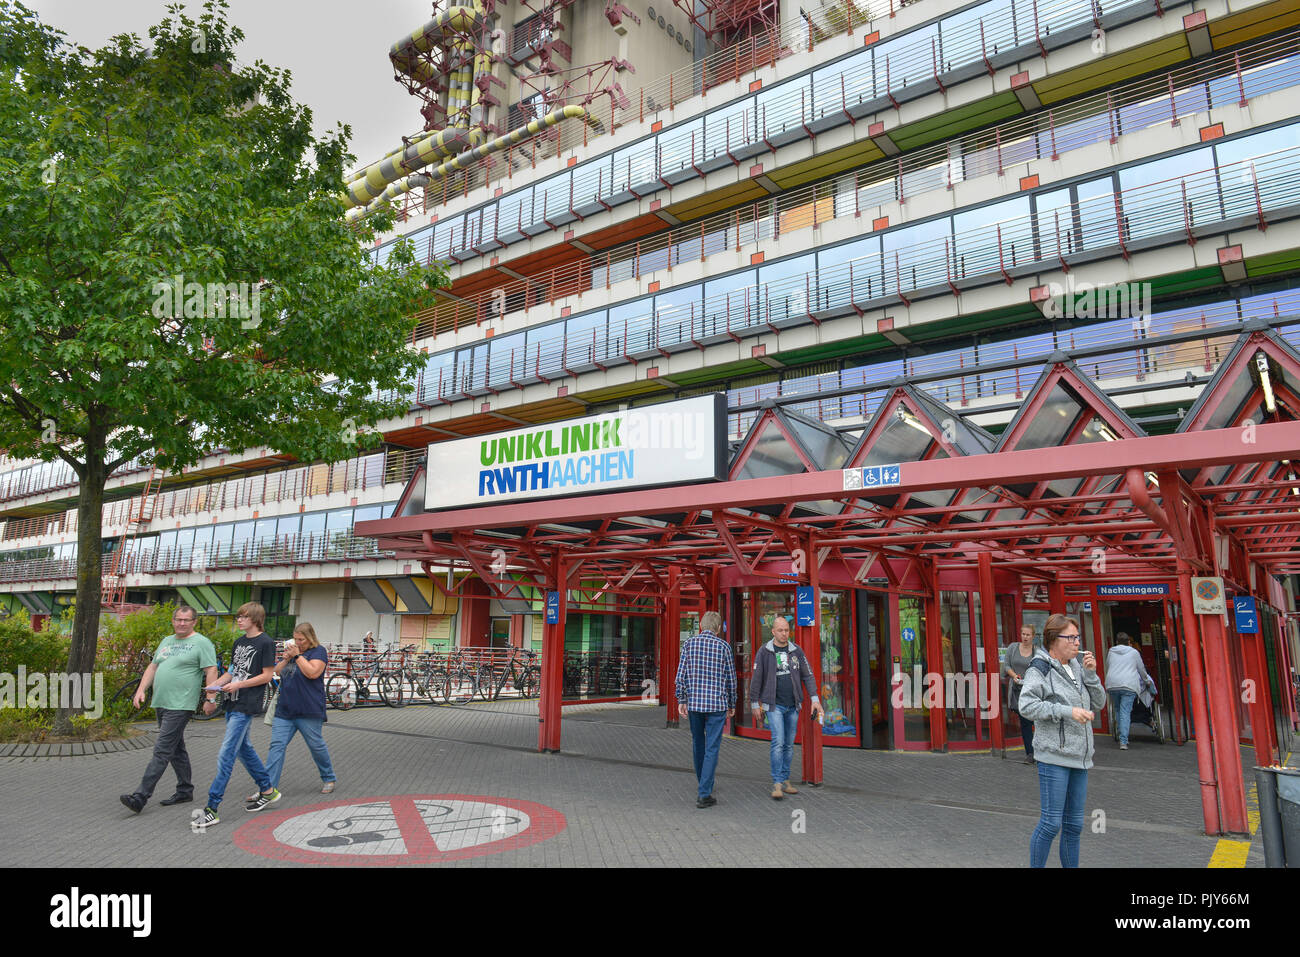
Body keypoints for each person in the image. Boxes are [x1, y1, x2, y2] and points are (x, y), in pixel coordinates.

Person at [1018, 614, 1107, 868]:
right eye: (1071, 638)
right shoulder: (1040, 667)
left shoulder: (1078, 665)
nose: (1077, 643)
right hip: (1053, 756)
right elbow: (1027, 705)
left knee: (1074, 825)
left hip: (1080, 757)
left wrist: (1091, 675)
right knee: (1050, 824)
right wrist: (1067, 711)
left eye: (1078, 637)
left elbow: (1099, 703)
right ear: (1053, 640)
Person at [120, 605, 218, 813]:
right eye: (178, 619)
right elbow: (153, 666)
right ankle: (185, 790)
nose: (181, 623)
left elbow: (211, 669)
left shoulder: (201, 643)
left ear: (194, 622)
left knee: (162, 750)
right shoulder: (167, 641)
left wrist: (211, 698)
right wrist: (141, 690)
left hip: (181, 704)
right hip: (161, 702)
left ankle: (140, 796)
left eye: (186, 620)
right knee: (176, 748)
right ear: (173, 621)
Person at [192, 602, 280, 829]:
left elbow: (267, 675)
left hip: (247, 704)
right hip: (232, 701)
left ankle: (212, 808)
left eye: (243, 617)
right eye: (239, 616)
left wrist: (240, 683)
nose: (239, 620)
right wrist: (213, 687)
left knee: (227, 754)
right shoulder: (239, 642)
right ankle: (267, 789)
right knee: (243, 749)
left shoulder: (266, 642)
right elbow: (232, 671)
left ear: (255, 619)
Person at [749, 615, 824, 799]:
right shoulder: (764, 652)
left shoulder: (796, 651)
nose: (784, 634)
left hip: (793, 705)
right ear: (773, 631)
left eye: (787, 630)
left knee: (789, 745)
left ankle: (785, 779)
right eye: (780, 630)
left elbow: (808, 675)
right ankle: (776, 783)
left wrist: (814, 698)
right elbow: (756, 678)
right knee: (778, 742)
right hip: (773, 706)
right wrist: (754, 703)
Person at [260, 621, 338, 797]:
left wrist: (297, 656)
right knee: (276, 746)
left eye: (301, 639)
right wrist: (287, 657)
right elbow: (278, 671)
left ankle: (328, 777)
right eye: (295, 639)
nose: (298, 643)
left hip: (308, 710)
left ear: (310, 638)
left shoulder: (319, 652)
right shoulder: (293, 653)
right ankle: (268, 788)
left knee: (315, 745)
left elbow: (313, 673)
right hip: (285, 709)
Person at [674, 610, 735, 809]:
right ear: (718, 628)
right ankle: (704, 792)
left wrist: (681, 699)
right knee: (712, 747)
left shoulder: (689, 644)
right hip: (717, 705)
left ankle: (703, 783)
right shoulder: (724, 647)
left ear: (701, 626)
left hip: (694, 704)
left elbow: (680, 676)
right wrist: (732, 704)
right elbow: (731, 680)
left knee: (698, 743)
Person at [1105, 632, 1155, 751]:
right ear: (1129, 642)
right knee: (1125, 711)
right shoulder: (1134, 652)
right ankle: (1123, 741)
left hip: (1113, 684)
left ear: (1117, 642)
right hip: (1129, 685)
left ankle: (1119, 731)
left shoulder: (1111, 651)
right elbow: (1141, 670)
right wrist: (1147, 681)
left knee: (1118, 709)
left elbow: (1108, 665)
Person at [1003, 624, 1040, 764]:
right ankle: (1030, 754)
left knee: (1035, 721)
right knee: (1025, 722)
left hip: (1033, 691)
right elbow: (1006, 665)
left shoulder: (1037, 651)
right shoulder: (1013, 648)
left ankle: (1039, 751)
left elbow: (1040, 669)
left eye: (1028, 635)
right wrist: (1014, 676)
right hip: (1018, 690)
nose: (1025, 637)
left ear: (1033, 636)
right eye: (1023, 634)